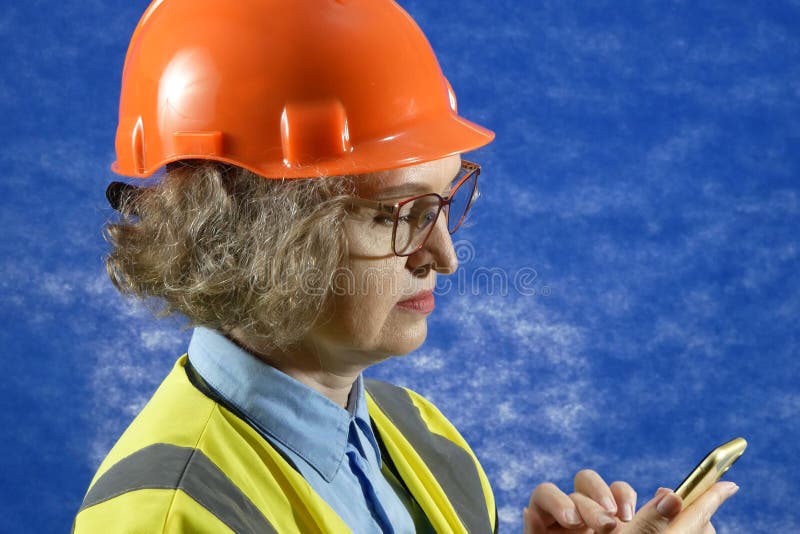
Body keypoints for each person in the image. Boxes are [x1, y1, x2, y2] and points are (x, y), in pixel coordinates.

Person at [73, 0, 738, 532]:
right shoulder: (168, 516)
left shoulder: (425, 441)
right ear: (247, 233)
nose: (444, 258)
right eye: (396, 212)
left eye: (446, 203)